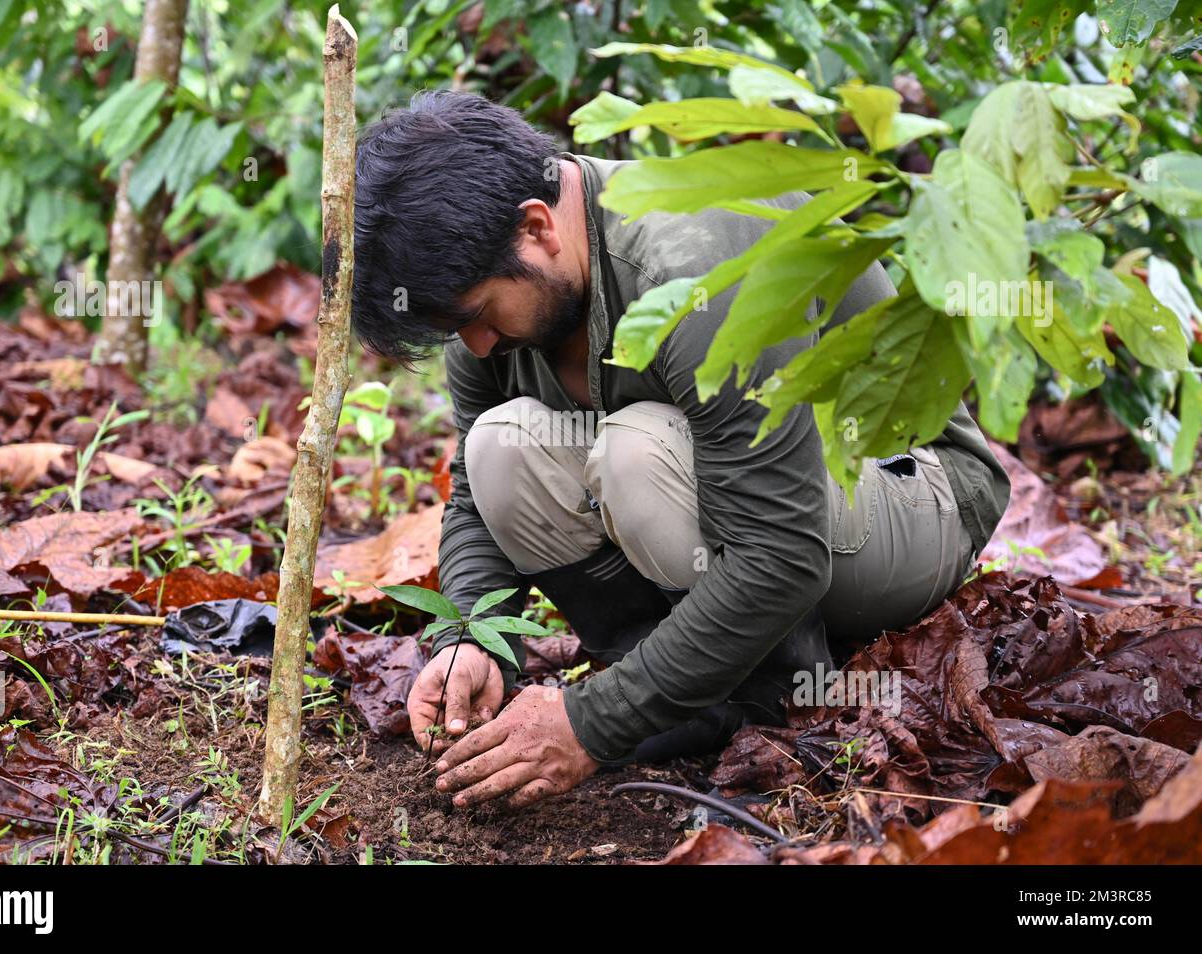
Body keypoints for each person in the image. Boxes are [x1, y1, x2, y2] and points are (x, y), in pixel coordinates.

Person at [351, 89, 1011, 810]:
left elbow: (781, 554)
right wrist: (471, 637)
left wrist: (590, 725)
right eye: (454, 328)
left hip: (913, 497)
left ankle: (781, 692)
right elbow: (479, 503)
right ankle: (688, 691)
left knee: (639, 451)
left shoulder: (688, 272)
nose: (474, 345)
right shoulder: (497, 306)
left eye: (475, 316)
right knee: (500, 446)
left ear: (536, 227)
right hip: (774, 513)